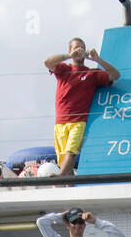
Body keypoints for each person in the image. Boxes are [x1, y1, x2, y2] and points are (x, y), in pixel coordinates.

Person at [43, 37, 121, 176]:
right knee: (63, 160)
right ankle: (68, 184)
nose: (80, 51)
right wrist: (68, 56)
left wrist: (97, 60)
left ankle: (60, 179)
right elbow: (47, 62)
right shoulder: (63, 69)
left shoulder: (91, 74)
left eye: (82, 48)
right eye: (76, 48)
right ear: (70, 50)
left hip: (78, 121)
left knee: (71, 153)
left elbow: (115, 75)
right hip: (60, 122)